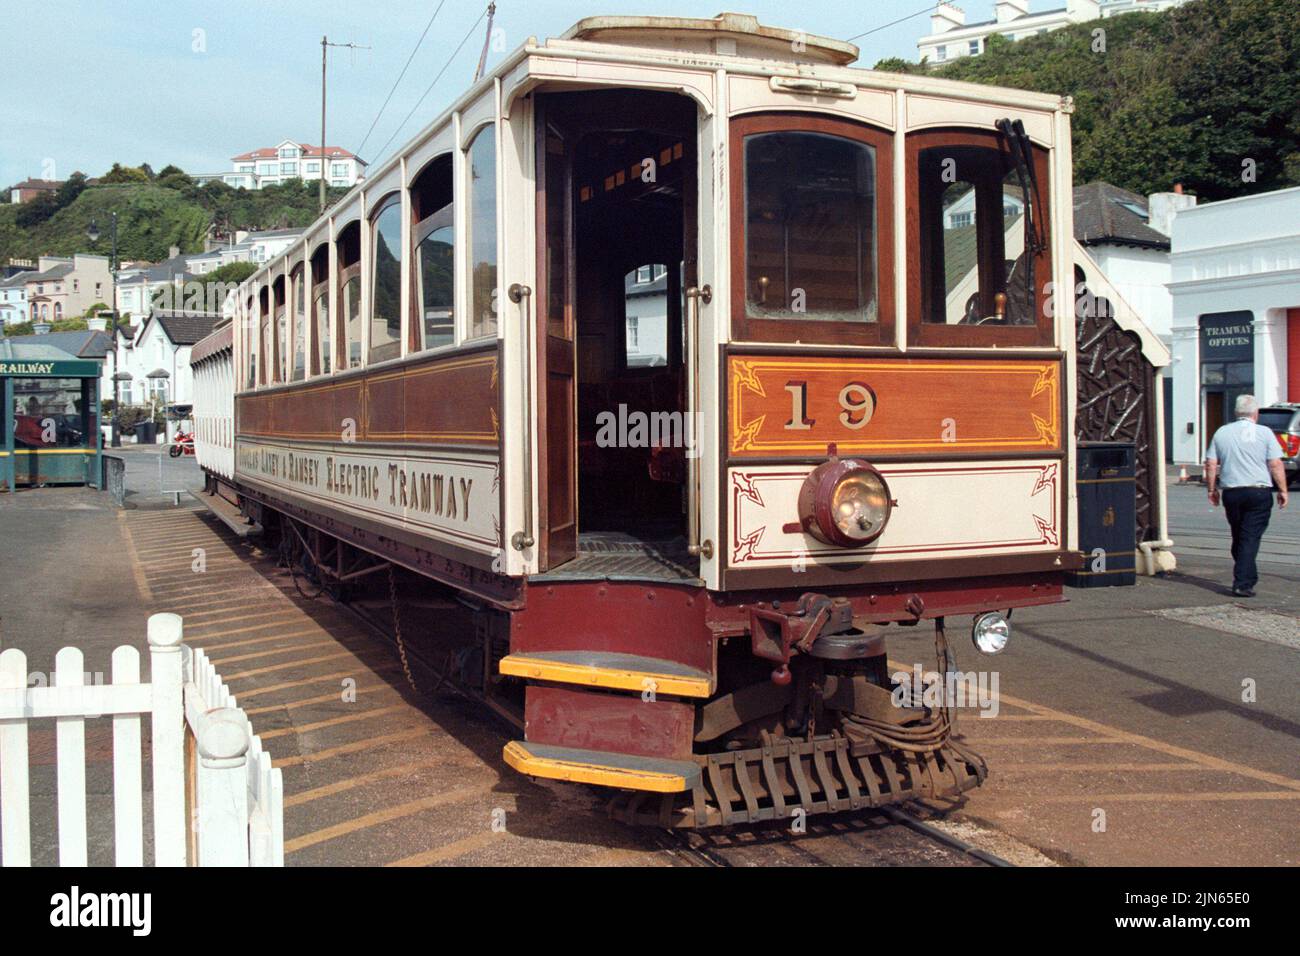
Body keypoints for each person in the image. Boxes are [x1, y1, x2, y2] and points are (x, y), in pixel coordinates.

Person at [1204, 394, 1289, 597]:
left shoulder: (1221, 432)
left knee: (1239, 534)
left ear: (1236, 413)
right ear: (1256, 413)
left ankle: (1246, 575)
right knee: (1250, 536)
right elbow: (1275, 464)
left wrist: (1211, 489)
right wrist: (1283, 489)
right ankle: (1242, 583)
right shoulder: (1265, 433)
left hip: (1232, 492)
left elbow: (1210, 463)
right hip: (1258, 491)